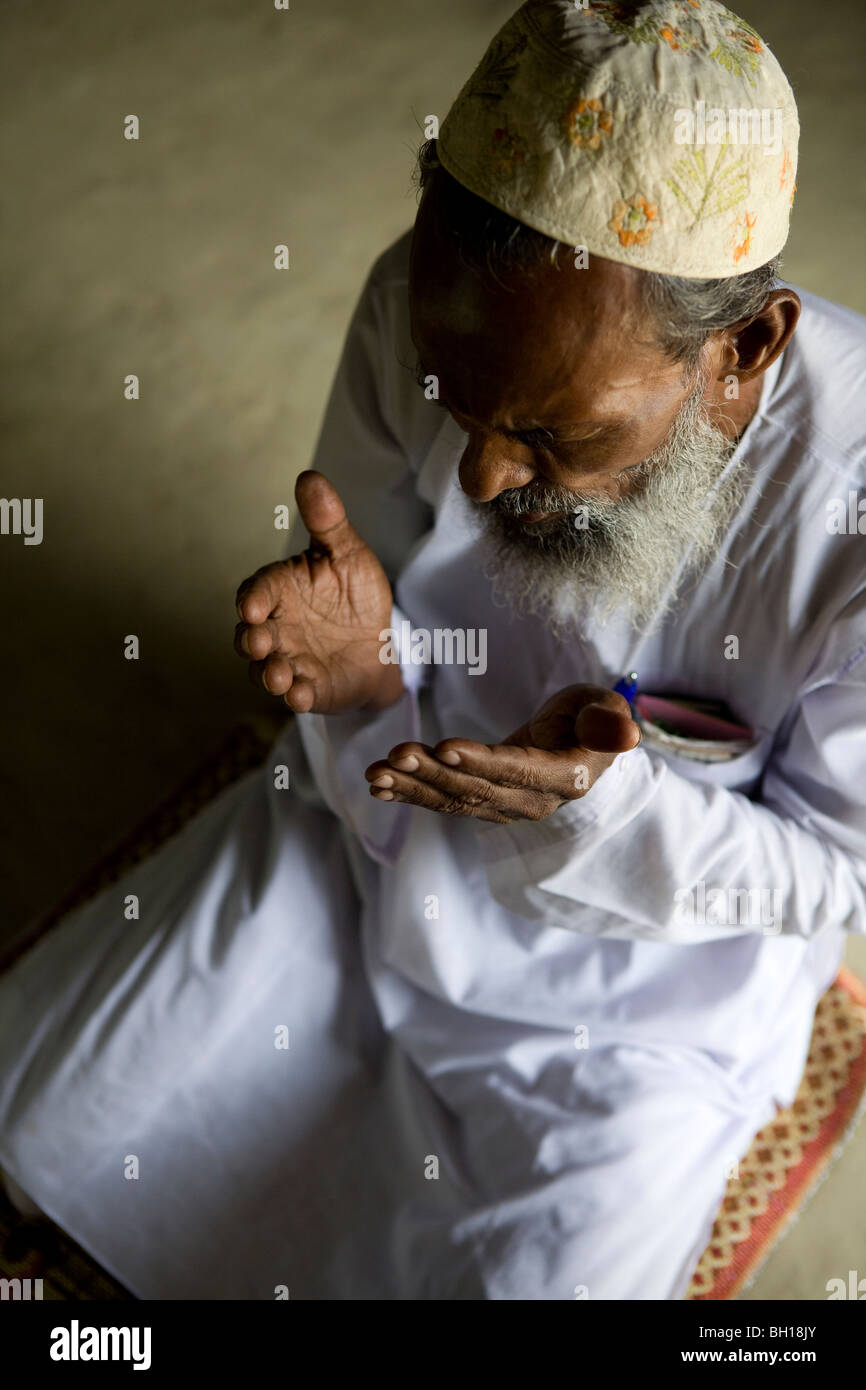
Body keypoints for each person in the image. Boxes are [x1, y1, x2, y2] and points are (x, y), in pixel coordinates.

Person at [1, 0, 865, 1300]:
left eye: (551, 432)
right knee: (43, 1115)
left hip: (647, 998)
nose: (482, 468)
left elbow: (833, 878)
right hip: (374, 826)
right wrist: (358, 670)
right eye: (462, 404)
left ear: (739, 354)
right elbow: (380, 581)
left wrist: (611, 813)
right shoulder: (419, 305)